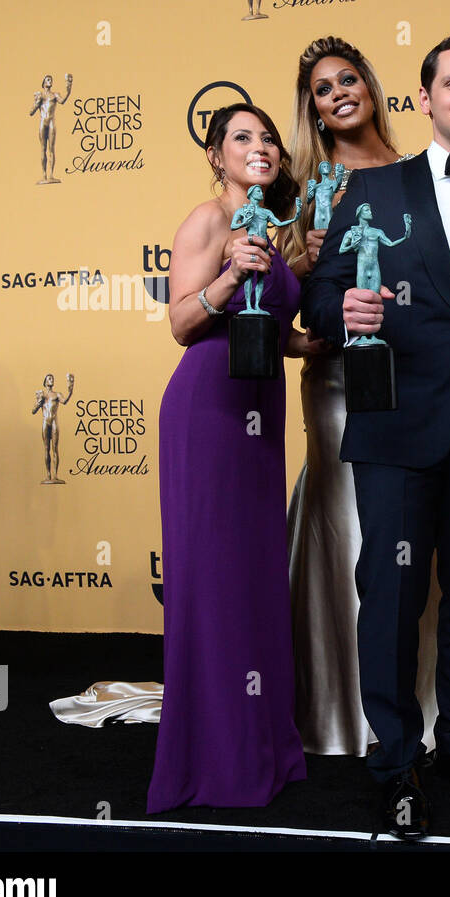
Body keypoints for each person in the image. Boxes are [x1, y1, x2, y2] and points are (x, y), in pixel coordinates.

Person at [304, 33, 450, 840]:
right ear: (428, 99)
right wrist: (343, 312)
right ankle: (395, 764)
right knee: (394, 599)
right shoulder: (374, 188)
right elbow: (320, 299)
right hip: (397, 420)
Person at [148, 103, 320, 814]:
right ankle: (213, 758)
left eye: (268, 136)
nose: (261, 146)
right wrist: (224, 276)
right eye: (241, 137)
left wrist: (319, 345)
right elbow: (185, 322)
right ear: (217, 156)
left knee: (252, 573)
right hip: (209, 412)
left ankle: (257, 744)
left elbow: (270, 329)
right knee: (214, 577)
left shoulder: (272, 233)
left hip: (258, 416)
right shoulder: (207, 221)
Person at [278, 36, 438, 759]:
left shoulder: (418, 173)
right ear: (312, 109)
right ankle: (336, 710)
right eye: (321, 88)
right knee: (344, 524)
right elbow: (280, 297)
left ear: (371, 86)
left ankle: (417, 709)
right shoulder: (305, 186)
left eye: (348, 78)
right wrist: (305, 275)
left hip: (418, 373)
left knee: (410, 537)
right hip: (341, 381)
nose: (338, 92)